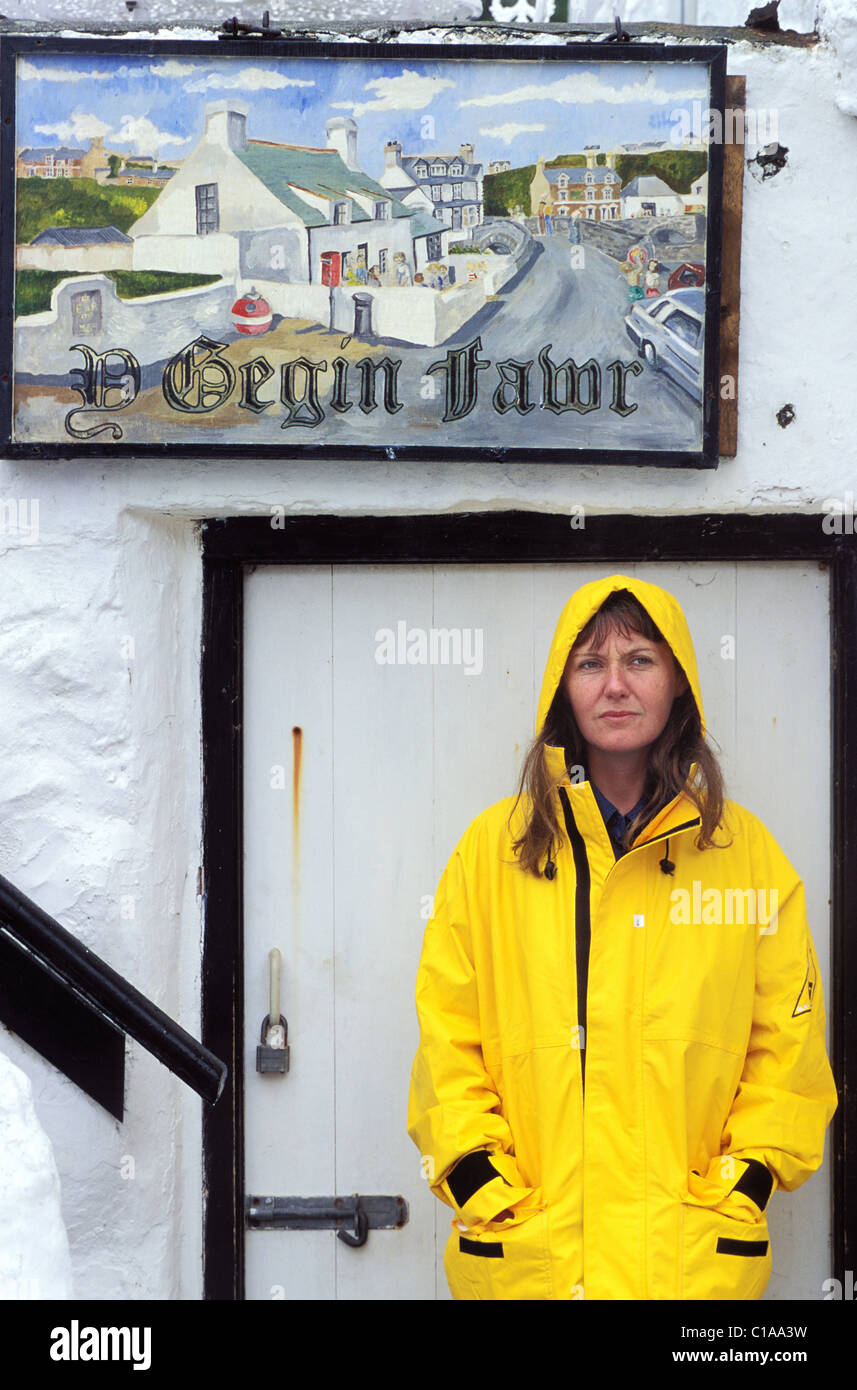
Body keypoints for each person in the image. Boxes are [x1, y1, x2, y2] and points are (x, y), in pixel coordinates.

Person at [407, 573, 837, 1301]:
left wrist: (744, 1186)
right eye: (590, 664)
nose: (614, 686)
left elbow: (786, 1054)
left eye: (638, 660)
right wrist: (483, 1183)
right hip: (532, 1260)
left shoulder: (744, 856)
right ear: (561, 691)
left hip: (685, 1264)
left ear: (677, 684)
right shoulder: (492, 852)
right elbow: (448, 1041)